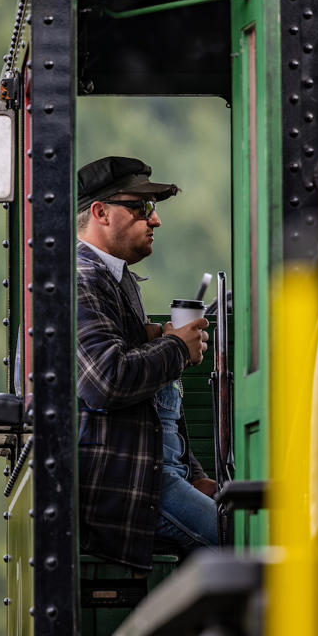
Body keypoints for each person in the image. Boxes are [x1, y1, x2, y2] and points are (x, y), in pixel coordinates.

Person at [76, 155, 220, 571]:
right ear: (100, 213)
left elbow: (153, 405)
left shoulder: (114, 278)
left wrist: (194, 475)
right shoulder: (83, 277)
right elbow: (107, 381)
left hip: (159, 478)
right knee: (250, 547)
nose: (154, 220)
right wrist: (175, 347)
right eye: (141, 208)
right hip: (131, 488)